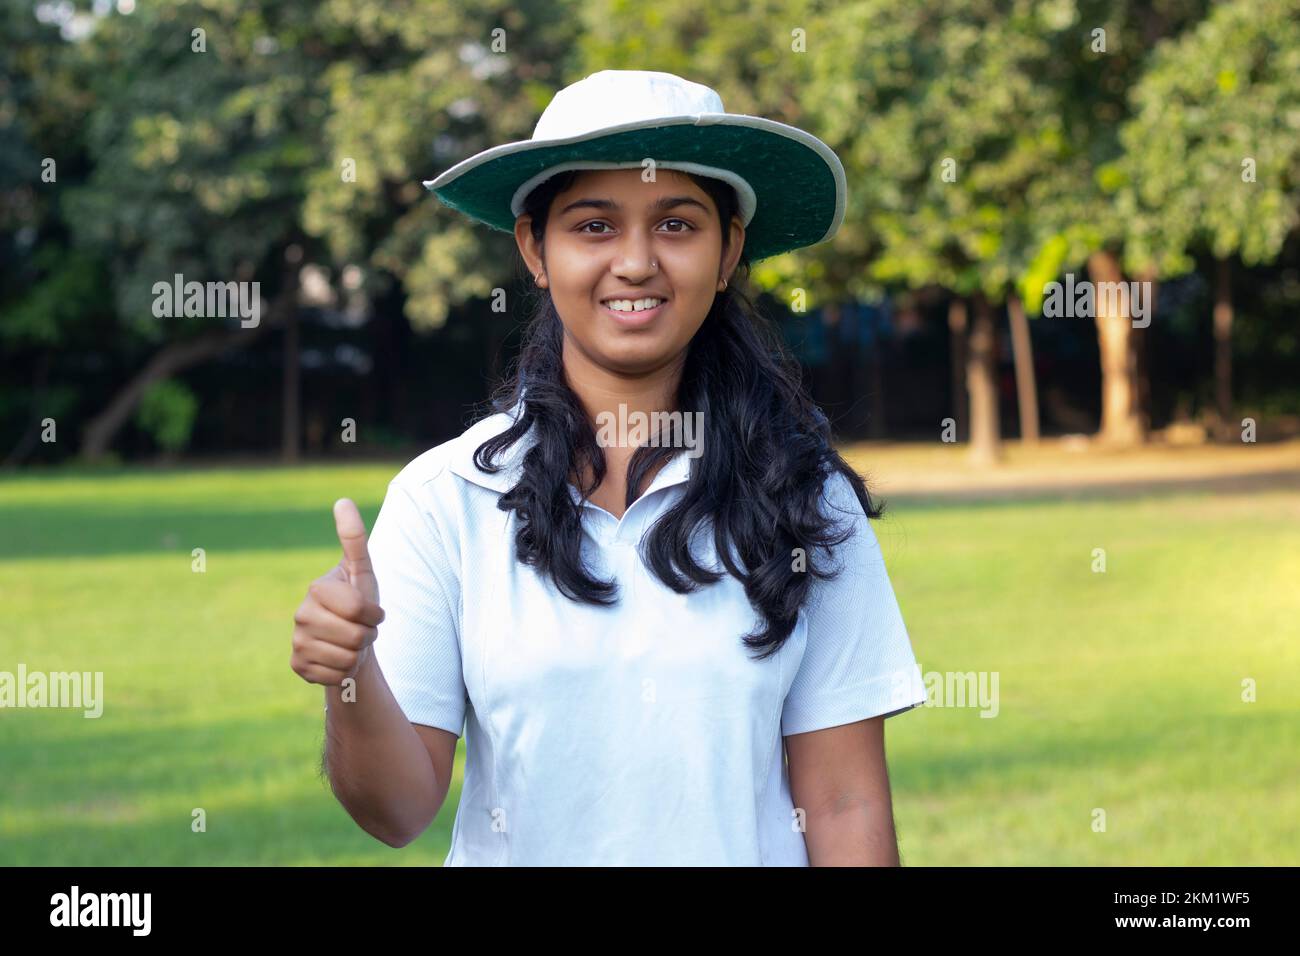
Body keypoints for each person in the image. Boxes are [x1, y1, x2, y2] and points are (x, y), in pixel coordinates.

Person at [290, 69, 927, 866]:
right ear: (535, 249)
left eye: (677, 225)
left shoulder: (802, 493)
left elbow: (844, 803)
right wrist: (347, 677)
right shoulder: (444, 500)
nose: (635, 263)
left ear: (728, 249)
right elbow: (397, 809)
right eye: (593, 226)